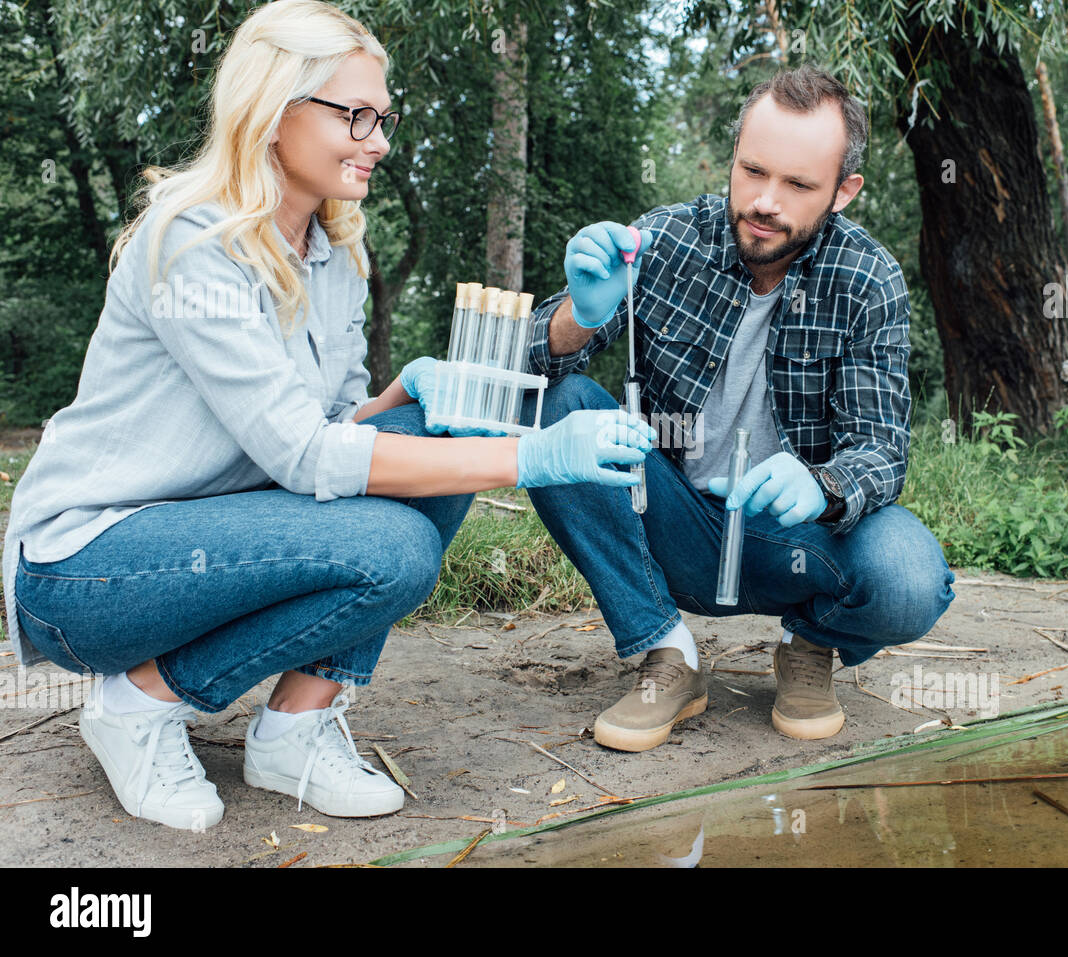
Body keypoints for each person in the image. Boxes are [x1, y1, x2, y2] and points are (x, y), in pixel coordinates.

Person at [1, 0, 653, 830]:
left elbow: (339, 428)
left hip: (219, 531)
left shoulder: (336, 247)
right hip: (90, 567)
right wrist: (534, 459)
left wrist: (401, 399)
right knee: (392, 549)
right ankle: (138, 701)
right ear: (274, 110)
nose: (379, 140)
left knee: (444, 429)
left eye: (382, 117)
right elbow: (310, 459)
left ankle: (297, 725)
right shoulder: (193, 243)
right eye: (355, 115)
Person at [521, 65, 956, 752]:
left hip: (801, 541)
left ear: (844, 192)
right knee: (561, 405)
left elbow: (882, 451)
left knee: (910, 578)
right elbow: (520, 378)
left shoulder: (869, 278)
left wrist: (822, 485)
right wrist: (579, 314)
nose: (765, 201)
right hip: (675, 525)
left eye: (798, 185)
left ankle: (808, 644)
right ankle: (668, 652)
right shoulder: (663, 240)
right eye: (752, 171)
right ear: (733, 158)